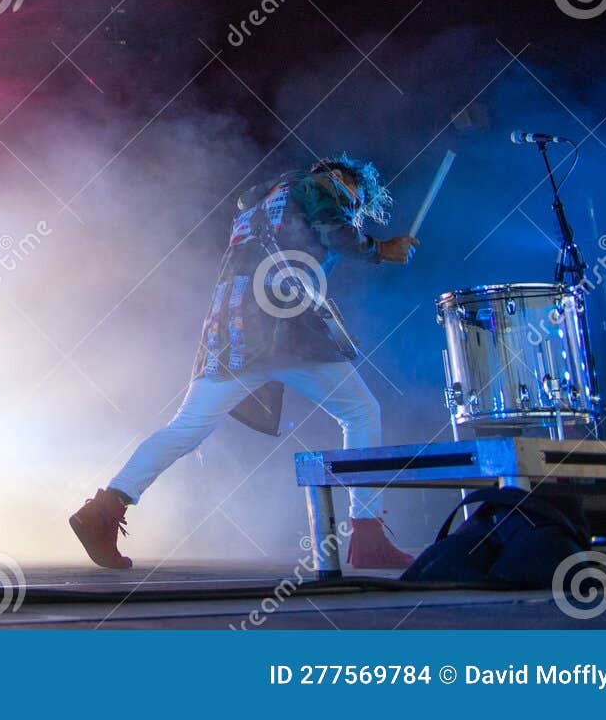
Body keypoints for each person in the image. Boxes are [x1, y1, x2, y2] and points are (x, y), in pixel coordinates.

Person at [70, 155, 420, 571]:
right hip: (283, 328)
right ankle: (366, 534)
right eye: (355, 199)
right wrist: (381, 250)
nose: (352, 208)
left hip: (230, 329)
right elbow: (336, 232)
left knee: (186, 428)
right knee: (361, 411)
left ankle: (106, 507)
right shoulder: (316, 186)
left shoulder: (260, 202)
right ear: (339, 176)